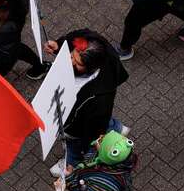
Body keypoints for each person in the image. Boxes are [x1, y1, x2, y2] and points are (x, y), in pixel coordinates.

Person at [43, 31, 129, 169]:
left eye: (78, 63)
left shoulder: (100, 100)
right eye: (72, 56)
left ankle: (70, 163)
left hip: (78, 128)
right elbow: (71, 38)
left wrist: (87, 147)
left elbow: (91, 135)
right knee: (101, 122)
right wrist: (58, 45)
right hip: (92, 117)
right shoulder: (92, 41)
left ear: (91, 67)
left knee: (74, 146)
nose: (71, 62)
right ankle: (116, 128)